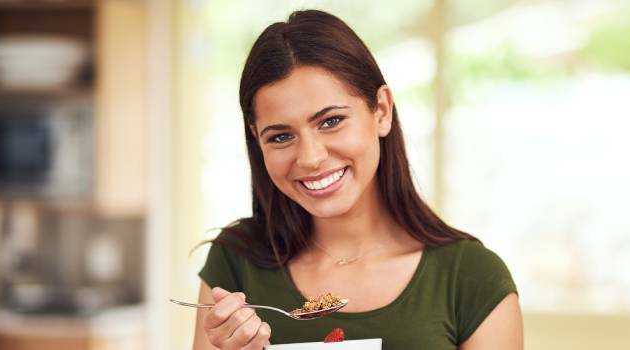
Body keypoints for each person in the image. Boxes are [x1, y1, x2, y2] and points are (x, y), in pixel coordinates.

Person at [192, 9, 522, 350]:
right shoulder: (236, 263)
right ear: (256, 139)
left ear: (381, 110)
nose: (310, 157)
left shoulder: (471, 279)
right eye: (280, 137)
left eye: (331, 121)